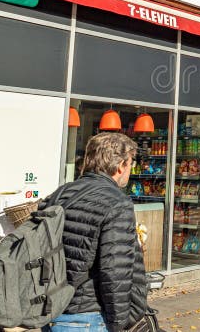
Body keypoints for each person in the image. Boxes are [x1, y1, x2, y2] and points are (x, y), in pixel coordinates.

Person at [43, 132, 147, 331]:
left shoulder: (60, 194)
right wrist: (120, 323)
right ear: (120, 165)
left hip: (51, 311)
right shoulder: (117, 203)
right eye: (130, 164)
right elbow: (115, 272)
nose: (130, 170)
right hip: (87, 316)